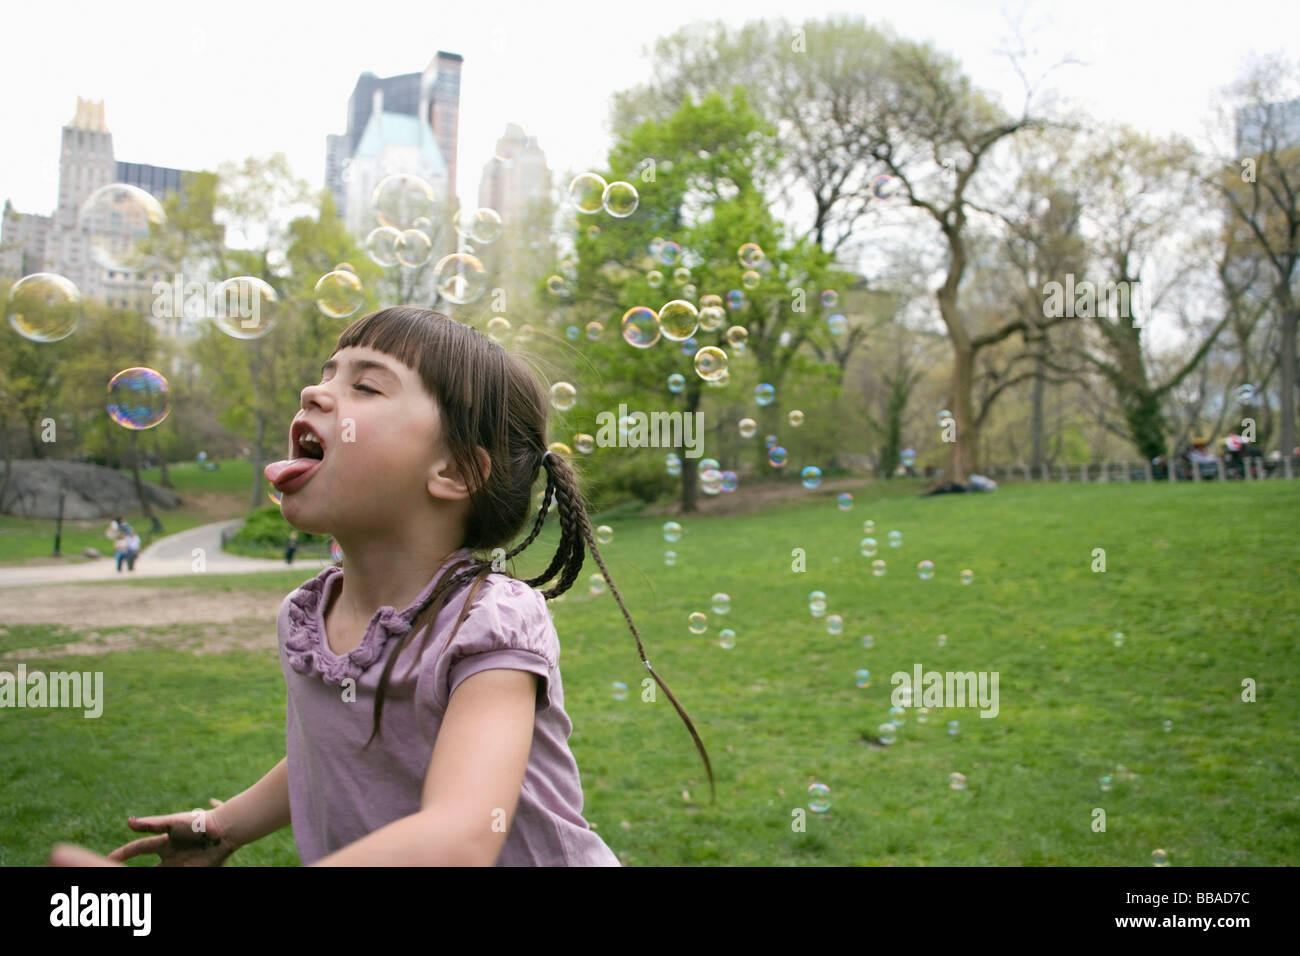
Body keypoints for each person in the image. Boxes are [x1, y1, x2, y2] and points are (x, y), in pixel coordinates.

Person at [63, 307, 712, 869]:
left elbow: (460, 837)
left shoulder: (486, 622)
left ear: (455, 471)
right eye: (324, 375)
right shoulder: (307, 615)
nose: (315, 395)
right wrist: (222, 827)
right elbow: (335, 754)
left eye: (366, 386)